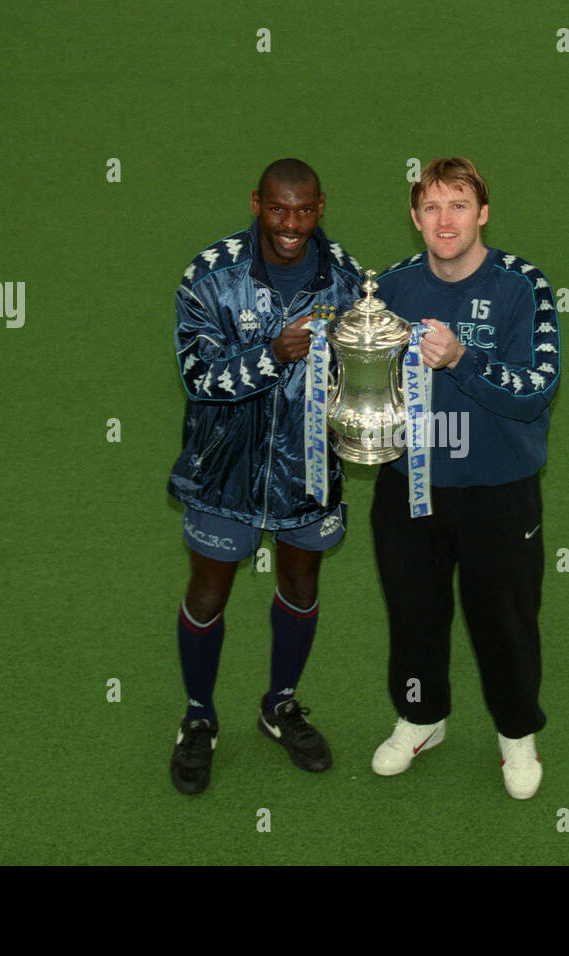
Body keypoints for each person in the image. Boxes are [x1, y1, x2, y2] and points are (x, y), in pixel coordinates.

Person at [167, 158, 363, 794]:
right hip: (224, 469)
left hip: (307, 473)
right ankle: (198, 719)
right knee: (209, 590)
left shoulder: (349, 281)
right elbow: (198, 378)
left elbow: (358, 374)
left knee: (301, 585)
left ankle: (280, 705)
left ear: (321, 206)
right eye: (279, 209)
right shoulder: (209, 277)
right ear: (255, 203)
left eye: (304, 210)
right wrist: (272, 354)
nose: (291, 224)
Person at [369, 157, 560, 799]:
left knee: (503, 620)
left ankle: (515, 734)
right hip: (409, 485)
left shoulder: (522, 286)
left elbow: (534, 390)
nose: (443, 220)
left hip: (497, 491)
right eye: (431, 207)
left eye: (458, 206)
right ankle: (422, 718)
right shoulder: (389, 289)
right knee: (413, 612)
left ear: (482, 214)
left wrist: (462, 359)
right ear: (415, 217)